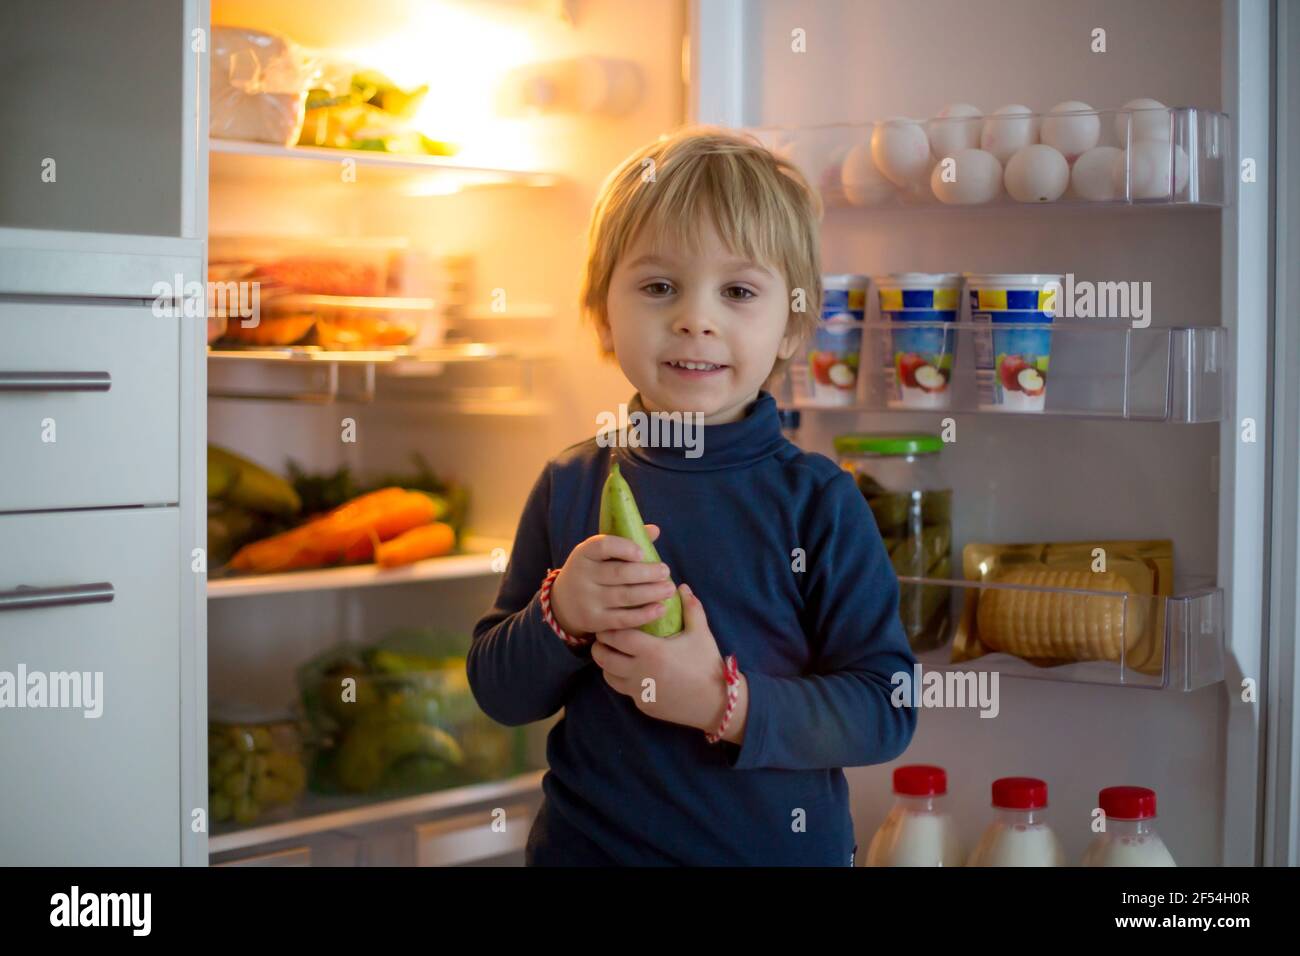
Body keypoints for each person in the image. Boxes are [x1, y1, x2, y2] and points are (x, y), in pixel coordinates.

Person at [468, 127, 918, 865]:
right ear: (602, 312)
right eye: (658, 286)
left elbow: (885, 706)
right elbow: (499, 692)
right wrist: (563, 612)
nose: (695, 318)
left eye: (738, 291)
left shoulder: (820, 503)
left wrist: (722, 701)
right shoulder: (572, 483)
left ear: (791, 327)